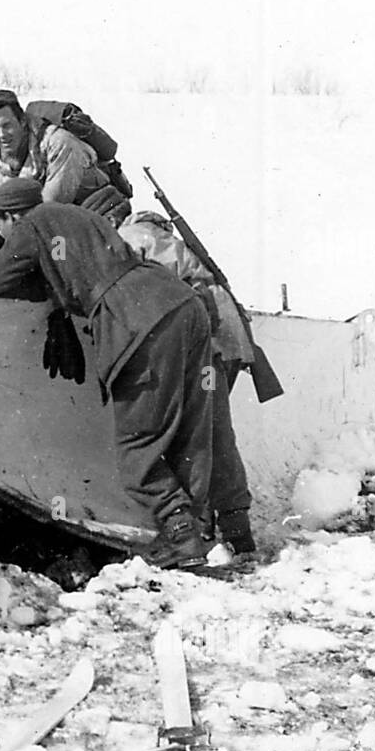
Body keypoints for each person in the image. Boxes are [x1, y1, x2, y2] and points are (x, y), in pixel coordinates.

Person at [0, 178, 214, 569]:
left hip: (134, 317)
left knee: (136, 442)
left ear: (10, 216)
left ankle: (180, 530)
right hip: (178, 300)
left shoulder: (30, 224)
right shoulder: (74, 215)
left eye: (0, 222)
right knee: (190, 427)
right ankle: (199, 530)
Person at [119, 210, 257, 554]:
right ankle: (237, 531)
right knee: (217, 433)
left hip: (202, 343)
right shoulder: (170, 242)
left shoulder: (136, 236)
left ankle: (199, 531)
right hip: (224, 344)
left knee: (195, 438)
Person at [0, 88, 130, 255]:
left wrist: (6, 231)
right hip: (56, 218)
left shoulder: (60, 142)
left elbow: (50, 207)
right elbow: (7, 202)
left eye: (7, 125)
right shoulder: (6, 155)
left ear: (22, 121)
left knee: (57, 261)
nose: (2, 135)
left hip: (96, 213)